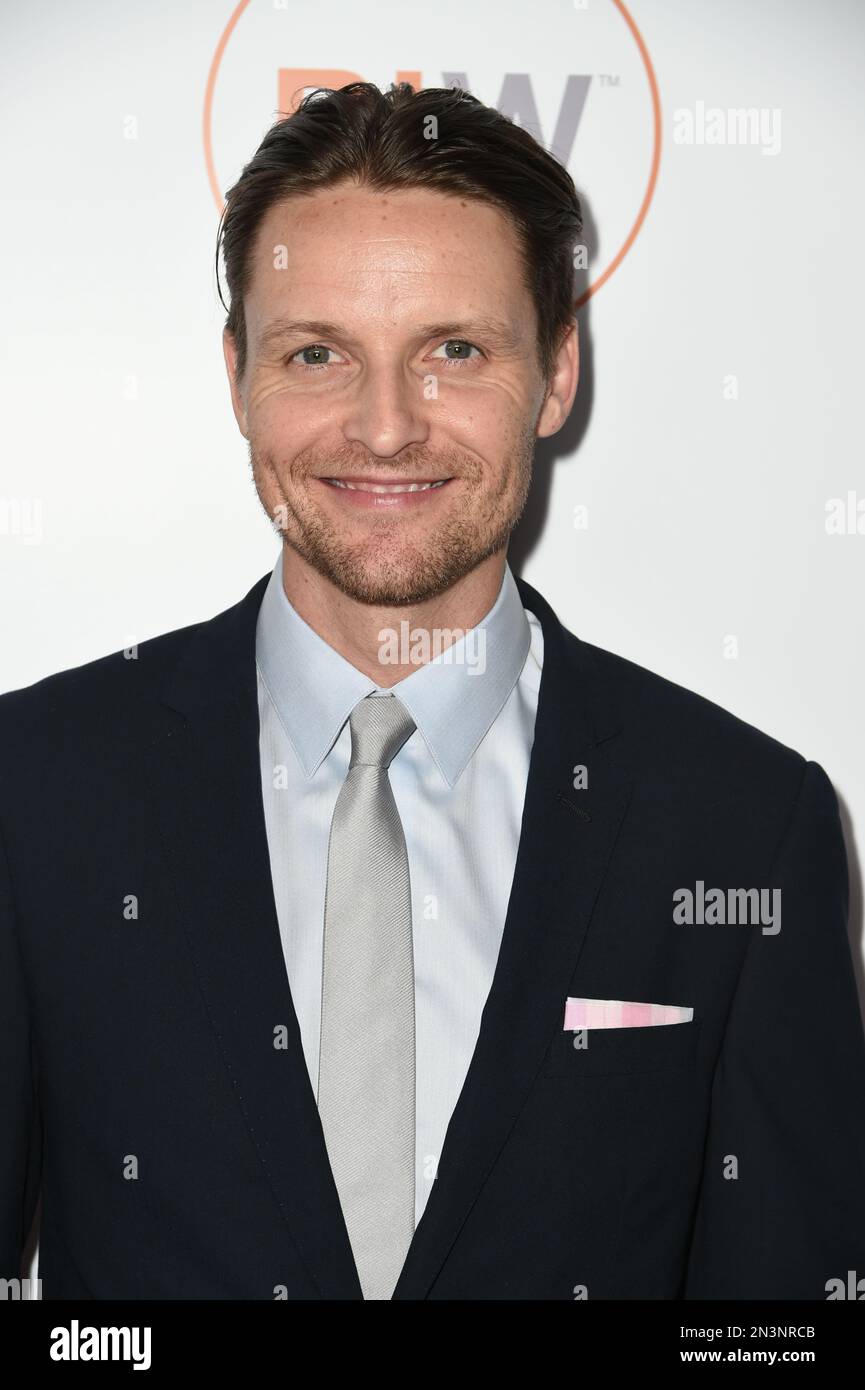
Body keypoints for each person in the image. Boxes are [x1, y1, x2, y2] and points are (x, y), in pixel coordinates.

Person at [2, 81, 864, 1302]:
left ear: (557, 372)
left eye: (453, 350)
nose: (386, 428)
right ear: (238, 375)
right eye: (317, 353)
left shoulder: (745, 823)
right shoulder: (34, 791)